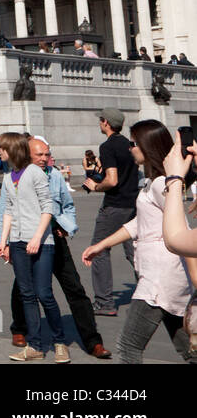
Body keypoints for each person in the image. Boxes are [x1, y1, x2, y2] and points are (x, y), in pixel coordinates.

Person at [82, 120, 195, 363]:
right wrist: (102, 244)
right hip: (162, 276)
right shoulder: (149, 184)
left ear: (147, 146)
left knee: (128, 346)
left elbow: (183, 230)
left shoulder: (159, 185)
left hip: (159, 278)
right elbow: (138, 224)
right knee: (187, 347)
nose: (129, 148)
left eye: (133, 143)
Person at [0, 136, 112, 359]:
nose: (45, 158)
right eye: (39, 155)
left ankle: (92, 341)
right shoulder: (14, 176)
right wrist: (4, 241)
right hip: (24, 239)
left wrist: (66, 226)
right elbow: (6, 210)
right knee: (22, 289)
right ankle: (20, 329)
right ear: (26, 154)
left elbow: (66, 206)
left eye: (47, 154)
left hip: (52, 240)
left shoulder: (55, 175)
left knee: (73, 289)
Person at [0, 132, 71, 363]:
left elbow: (48, 207)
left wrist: (38, 237)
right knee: (27, 294)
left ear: (12, 150)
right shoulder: (9, 177)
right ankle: (35, 345)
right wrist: (3, 241)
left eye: (2, 148)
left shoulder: (35, 173)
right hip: (17, 242)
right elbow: (8, 209)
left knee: (44, 293)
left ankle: (59, 342)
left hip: (41, 241)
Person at [83, 108, 140, 316]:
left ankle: (104, 302)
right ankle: (149, 291)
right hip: (133, 203)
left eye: (100, 120)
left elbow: (112, 179)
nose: (100, 123)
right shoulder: (129, 144)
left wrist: (95, 186)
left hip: (115, 204)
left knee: (99, 249)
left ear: (106, 122)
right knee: (134, 250)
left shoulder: (108, 147)